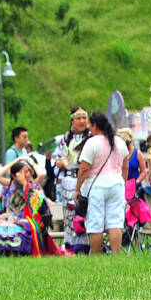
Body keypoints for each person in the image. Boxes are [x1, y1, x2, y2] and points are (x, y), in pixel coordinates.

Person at [76, 111, 129, 256]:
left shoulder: (92, 143)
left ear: (94, 126)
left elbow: (83, 170)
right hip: (116, 185)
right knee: (115, 222)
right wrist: (122, 182)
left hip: (97, 187)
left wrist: (77, 190)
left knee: (95, 223)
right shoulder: (119, 142)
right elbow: (125, 167)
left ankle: (97, 255)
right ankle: (116, 254)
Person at [0, 160, 60, 256]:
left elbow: (40, 206)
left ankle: (20, 252)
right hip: (10, 220)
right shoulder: (7, 189)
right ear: (14, 175)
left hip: (31, 220)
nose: (25, 175)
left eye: (27, 171)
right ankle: (7, 254)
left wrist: (26, 186)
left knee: (19, 228)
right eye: (21, 172)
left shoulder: (35, 188)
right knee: (1, 228)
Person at [51, 106, 90, 254]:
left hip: (86, 179)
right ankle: (72, 247)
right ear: (72, 120)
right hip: (68, 180)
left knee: (85, 212)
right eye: (78, 118)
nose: (81, 121)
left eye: (84, 118)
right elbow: (59, 158)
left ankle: (88, 245)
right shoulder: (66, 139)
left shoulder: (91, 137)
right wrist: (59, 163)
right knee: (70, 214)